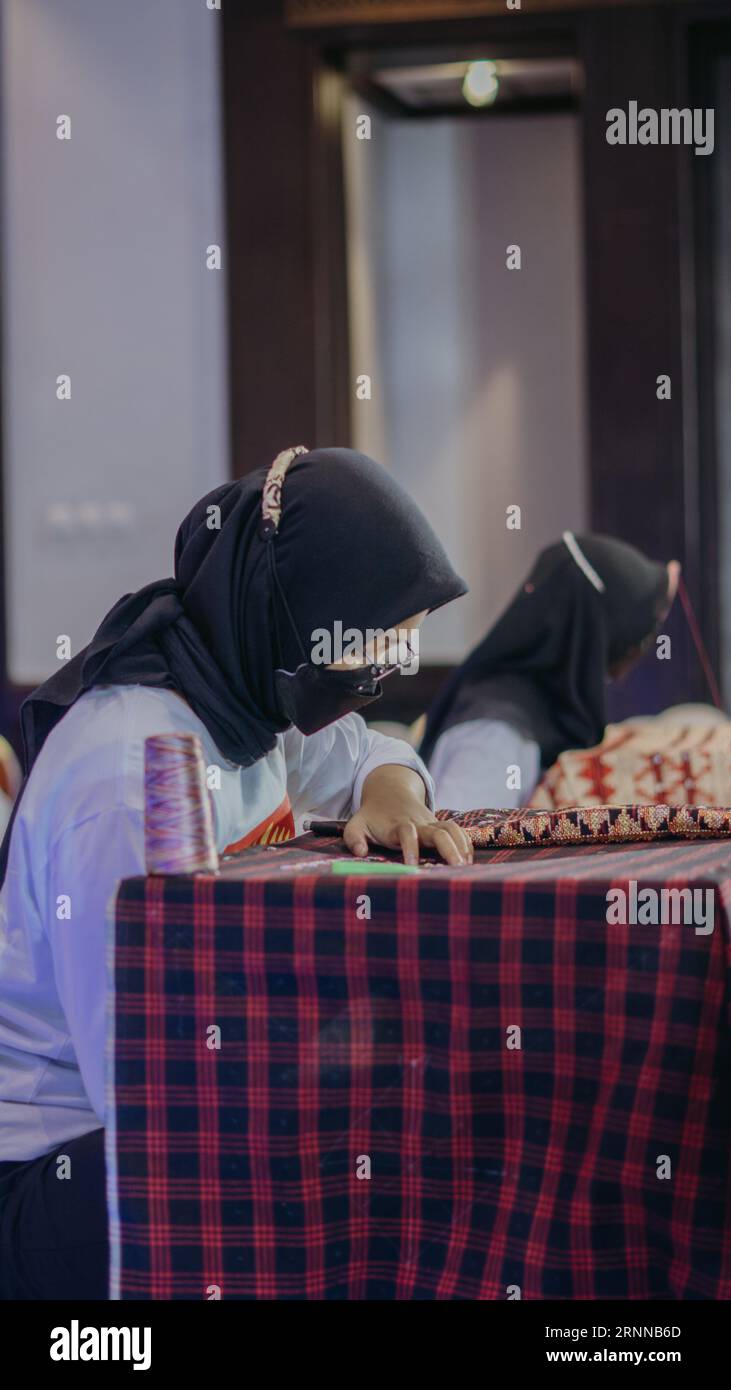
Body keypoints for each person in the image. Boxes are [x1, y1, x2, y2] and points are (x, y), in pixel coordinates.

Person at [0, 445, 471, 1299]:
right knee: (354, 1158)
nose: (374, 678)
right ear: (293, 619)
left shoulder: (251, 690)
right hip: (58, 1169)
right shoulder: (134, 777)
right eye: (362, 645)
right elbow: (144, 1083)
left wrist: (398, 795)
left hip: (159, 1103)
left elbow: (367, 755)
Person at [419, 532, 680, 812]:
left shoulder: (540, 708)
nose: (640, 651)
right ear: (596, 636)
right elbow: (456, 841)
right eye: (642, 636)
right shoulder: (495, 736)